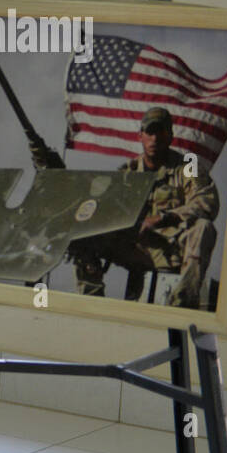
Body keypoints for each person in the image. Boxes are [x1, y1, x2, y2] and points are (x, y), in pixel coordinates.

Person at [71, 106, 218, 307]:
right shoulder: (128, 172)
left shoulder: (187, 167)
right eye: (150, 132)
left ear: (170, 137)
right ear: (140, 136)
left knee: (204, 227)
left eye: (161, 132)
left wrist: (164, 218)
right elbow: (104, 209)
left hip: (173, 249)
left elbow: (206, 201)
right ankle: (91, 302)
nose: (155, 138)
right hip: (137, 247)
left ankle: (182, 301)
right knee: (84, 230)